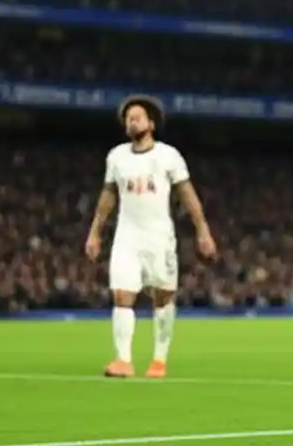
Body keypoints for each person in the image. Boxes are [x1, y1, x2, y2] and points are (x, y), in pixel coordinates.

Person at [85, 95, 218, 378]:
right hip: (127, 237)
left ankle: (159, 360)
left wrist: (202, 229)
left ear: (151, 123)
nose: (131, 121)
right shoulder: (116, 157)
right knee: (122, 294)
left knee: (163, 297)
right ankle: (123, 360)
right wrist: (95, 232)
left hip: (159, 238)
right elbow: (107, 197)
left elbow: (187, 194)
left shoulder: (168, 156)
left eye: (137, 117)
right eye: (128, 118)